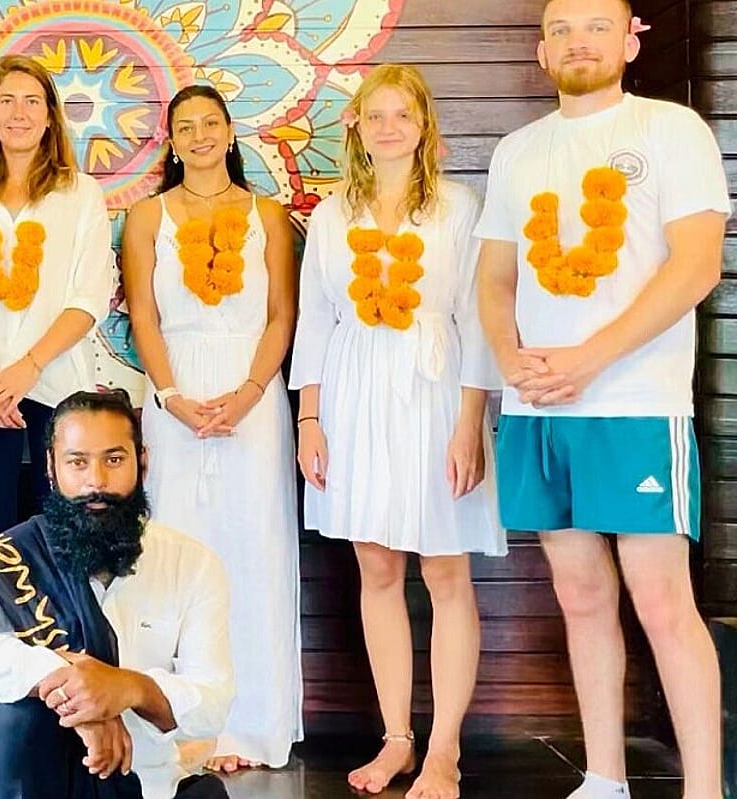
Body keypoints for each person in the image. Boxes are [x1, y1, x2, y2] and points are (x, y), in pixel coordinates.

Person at [476, 2, 729, 798]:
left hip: (636, 404)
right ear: (541, 50)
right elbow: (493, 276)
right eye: (561, 28)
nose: (578, 39)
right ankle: (605, 777)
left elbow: (695, 267)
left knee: (661, 599)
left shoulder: (671, 127)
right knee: (581, 596)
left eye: (596, 24)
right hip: (539, 408)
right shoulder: (518, 151)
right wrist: (511, 357)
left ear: (630, 39)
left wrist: (587, 358)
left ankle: (700, 787)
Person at [290, 64, 503, 799]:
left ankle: (444, 749)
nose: (388, 127)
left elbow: (477, 321)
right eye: (374, 114)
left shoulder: (457, 206)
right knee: (376, 569)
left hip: (437, 393)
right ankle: (398, 739)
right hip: (352, 395)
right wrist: (309, 418)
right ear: (355, 126)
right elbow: (315, 320)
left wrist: (470, 422)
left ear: (423, 125)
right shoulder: (331, 215)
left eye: (401, 115)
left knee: (446, 572)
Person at [0, 389, 234, 799]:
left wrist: (130, 689)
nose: (96, 481)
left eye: (114, 460)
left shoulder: (192, 564)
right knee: (14, 715)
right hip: (32, 778)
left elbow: (213, 705)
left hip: (144, 781)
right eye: (77, 462)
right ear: (51, 468)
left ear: (143, 461)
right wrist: (68, 682)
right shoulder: (11, 557)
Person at [122, 84, 302, 773]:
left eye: (210, 124)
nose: (198, 136)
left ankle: (252, 725)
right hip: (176, 396)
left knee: (254, 548)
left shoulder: (267, 215)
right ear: (171, 141)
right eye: (184, 127)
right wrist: (169, 394)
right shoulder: (147, 217)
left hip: (253, 396)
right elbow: (143, 312)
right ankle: (181, 725)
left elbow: (281, 313)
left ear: (231, 133)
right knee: (175, 553)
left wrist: (252, 392)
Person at [0, 55, 114, 548]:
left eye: (33, 101)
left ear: (50, 115)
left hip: (59, 391)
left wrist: (27, 368)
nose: (20, 112)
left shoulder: (81, 195)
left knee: (67, 540)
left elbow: (89, 297)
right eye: (7, 100)